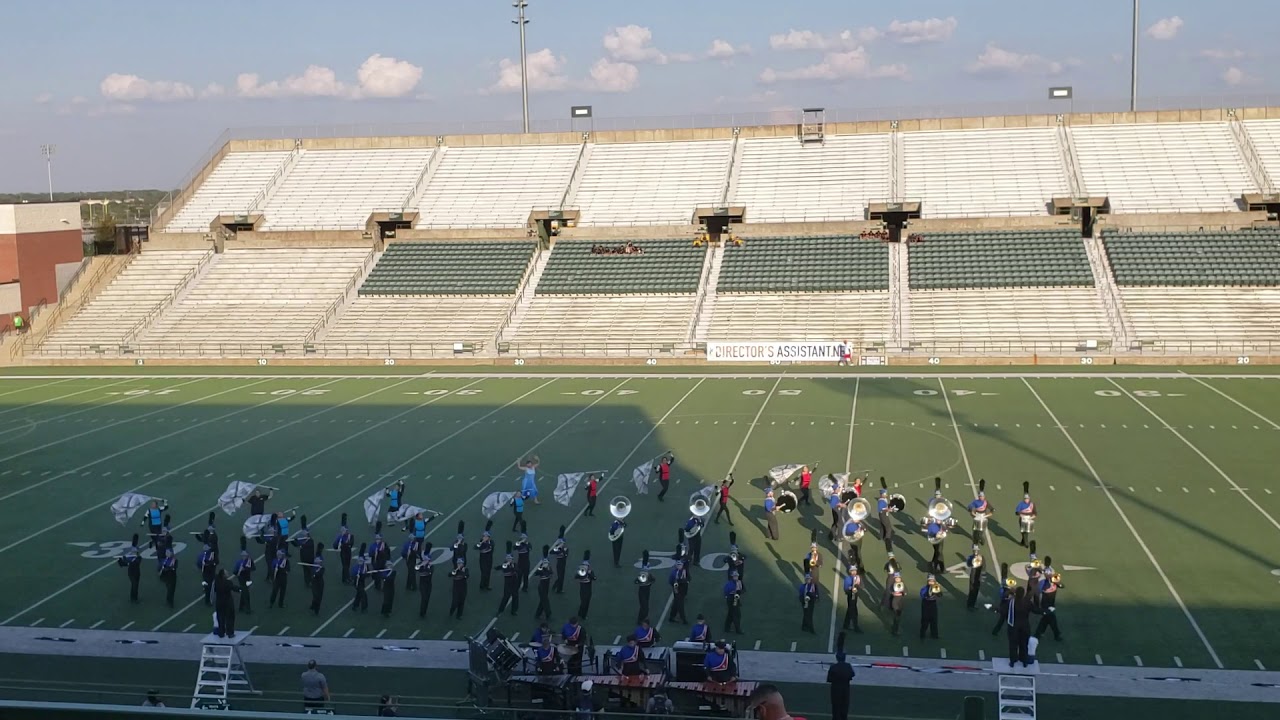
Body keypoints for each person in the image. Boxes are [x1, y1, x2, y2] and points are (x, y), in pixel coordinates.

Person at [827, 633, 854, 720]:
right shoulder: (848, 666)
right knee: (844, 708)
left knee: (836, 709)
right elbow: (851, 675)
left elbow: (829, 679)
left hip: (835, 690)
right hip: (845, 689)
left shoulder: (833, 667)